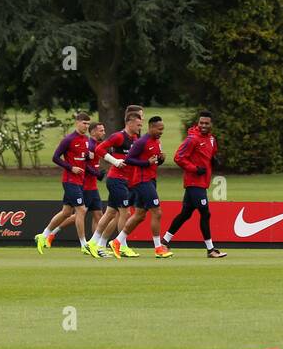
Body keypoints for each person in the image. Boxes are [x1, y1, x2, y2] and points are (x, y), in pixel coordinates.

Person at [163, 111, 226, 258]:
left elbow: (210, 155)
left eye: (206, 123)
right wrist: (195, 169)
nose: (203, 125)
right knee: (205, 213)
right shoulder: (192, 139)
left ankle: (164, 241)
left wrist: (214, 161)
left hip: (202, 183)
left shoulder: (211, 139)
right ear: (198, 123)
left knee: (185, 214)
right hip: (193, 182)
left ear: (211, 125)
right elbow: (178, 158)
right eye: (201, 123)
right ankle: (211, 250)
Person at [35, 112, 95, 255]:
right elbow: (55, 157)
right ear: (77, 123)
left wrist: (88, 156)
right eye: (84, 123)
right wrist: (71, 167)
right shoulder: (69, 139)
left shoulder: (86, 140)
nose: (86, 126)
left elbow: (81, 157)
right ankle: (84, 244)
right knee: (81, 210)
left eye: (88, 124)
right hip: (70, 180)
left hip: (79, 181)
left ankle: (43, 236)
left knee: (66, 212)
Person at [118, 116, 171, 257]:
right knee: (157, 212)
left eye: (162, 129)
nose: (161, 132)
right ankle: (158, 248)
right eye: (159, 129)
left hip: (151, 179)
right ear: (151, 127)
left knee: (140, 215)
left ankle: (117, 242)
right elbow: (128, 159)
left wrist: (160, 160)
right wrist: (146, 163)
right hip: (142, 181)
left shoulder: (157, 142)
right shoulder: (142, 141)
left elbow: (152, 162)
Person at [96, 107, 143, 258]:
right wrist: (114, 161)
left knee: (111, 213)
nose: (140, 127)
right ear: (129, 123)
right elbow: (99, 149)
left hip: (126, 181)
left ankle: (97, 245)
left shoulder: (136, 140)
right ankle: (122, 246)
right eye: (138, 124)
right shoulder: (118, 137)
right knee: (125, 212)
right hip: (116, 179)